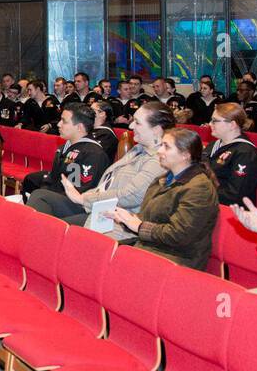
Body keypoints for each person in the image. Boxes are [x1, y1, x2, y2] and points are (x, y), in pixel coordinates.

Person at [28, 102, 173, 225]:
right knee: (41, 198)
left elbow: (131, 195)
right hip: (97, 205)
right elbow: (105, 185)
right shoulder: (137, 150)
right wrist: (85, 198)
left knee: (51, 224)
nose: (131, 126)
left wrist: (83, 198)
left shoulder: (159, 159)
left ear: (156, 129)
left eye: (138, 122)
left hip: (115, 218)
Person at [106, 128, 219, 271]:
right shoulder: (162, 179)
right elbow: (148, 218)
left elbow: (179, 235)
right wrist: (126, 219)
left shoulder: (199, 188)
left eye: (166, 146)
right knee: (101, 255)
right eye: (161, 145)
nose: (159, 151)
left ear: (185, 154)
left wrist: (138, 226)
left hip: (178, 258)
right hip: (152, 248)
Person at [20, 104, 110, 200]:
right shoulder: (64, 147)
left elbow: (83, 193)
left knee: (40, 195)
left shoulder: (94, 154)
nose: (58, 124)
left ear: (79, 127)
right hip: (59, 191)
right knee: (31, 180)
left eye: (64, 121)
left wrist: (46, 195)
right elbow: (54, 179)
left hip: (75, 204)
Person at [206, 102, 257, 206]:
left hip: (231, 212)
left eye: (214, 121)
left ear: (232, 125)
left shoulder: (246, 154)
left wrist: (199, 192)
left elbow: (235, 196)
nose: (210, 124)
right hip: (209, 203)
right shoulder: (213, 145)